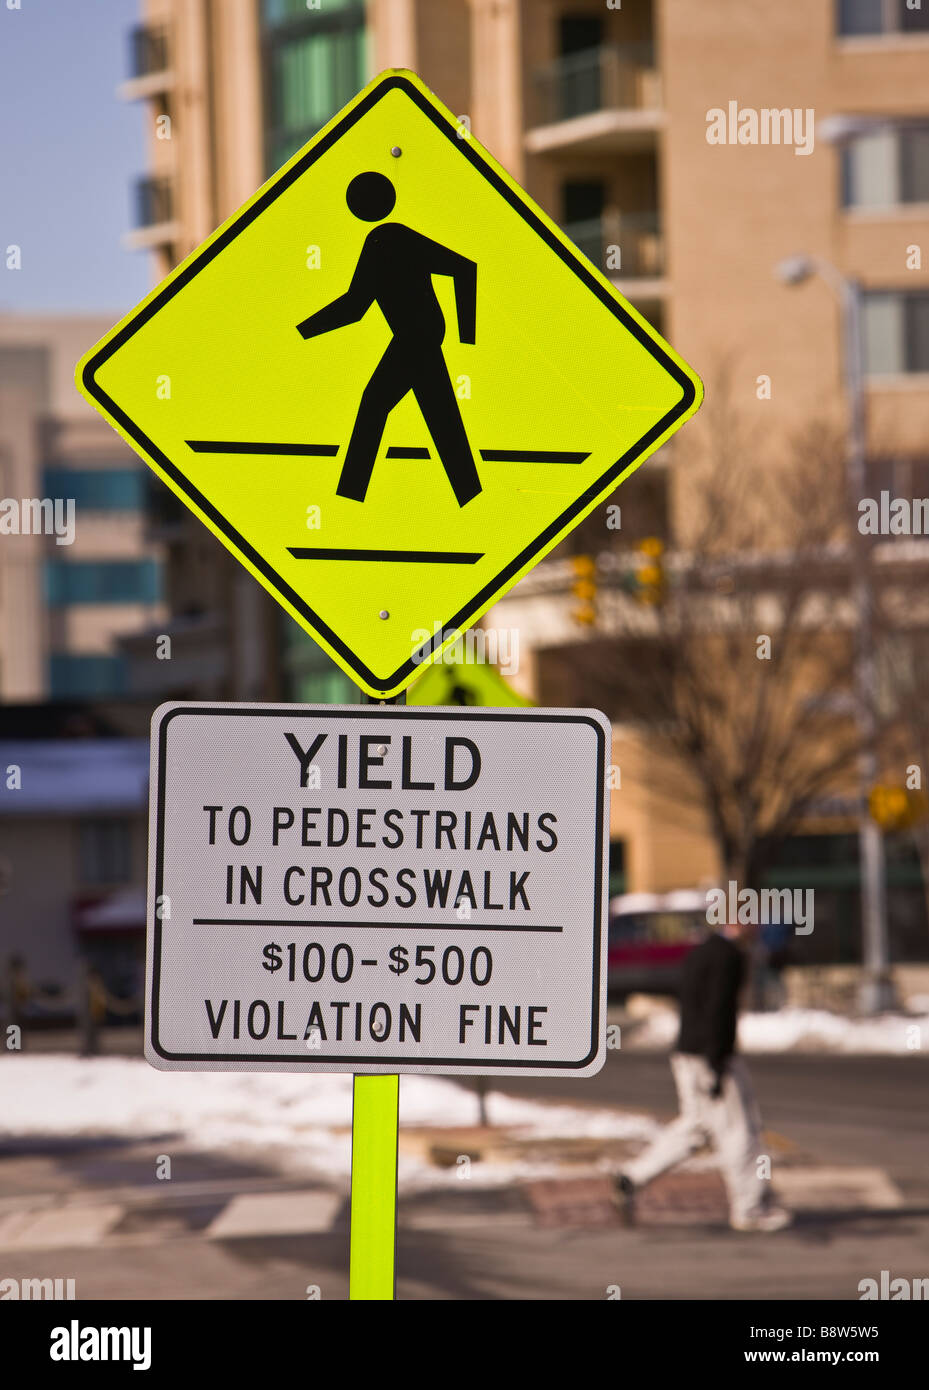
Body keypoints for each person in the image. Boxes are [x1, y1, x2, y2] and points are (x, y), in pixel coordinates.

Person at [296, 170, 481, 508]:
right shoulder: (382, 239)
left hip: (417, 336)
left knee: (375, 404)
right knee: (441, 417)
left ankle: (350, 497)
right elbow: (356, 305)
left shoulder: (392, 238)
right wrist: (303, 331)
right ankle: (471, 496)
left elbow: (465, 268)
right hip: (419, 336)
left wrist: (467, 337)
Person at [613, 921, 792, 1232]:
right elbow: (719, 1008)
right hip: (713, 1056)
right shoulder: (730, 956)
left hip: (687, 1052)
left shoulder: (699, 952)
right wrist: (718, 1063)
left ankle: (631, 1178)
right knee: (739, 1131)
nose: (760, 927)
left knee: (696, 1128)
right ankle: (748, 1208)